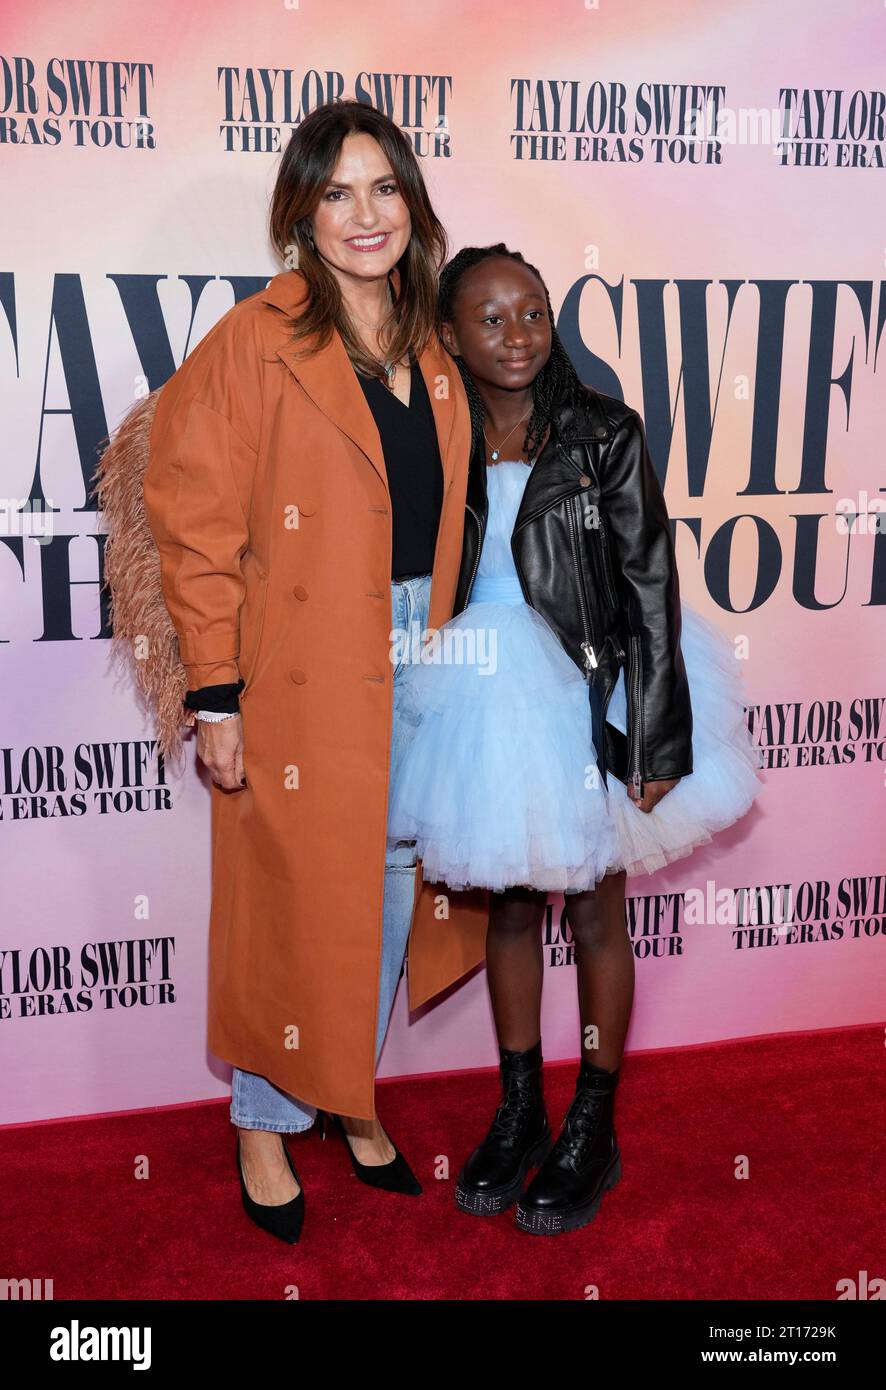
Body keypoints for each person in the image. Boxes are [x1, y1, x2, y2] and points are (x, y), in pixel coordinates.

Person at [138, 100, 473, 1243]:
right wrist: (217, 689)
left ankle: (341, 1088)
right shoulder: (257, 336)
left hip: (429, 646)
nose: (364, 214)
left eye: (384, 188)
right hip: (305, 655)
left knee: (387, 886)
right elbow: (192, 514)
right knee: (295, 895)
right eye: (337, 192)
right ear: (300, 214)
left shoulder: (433, 342)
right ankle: (265, 1118)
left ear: (412, 205)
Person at [386, 244, 765, 1236]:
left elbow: (650, 582)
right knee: (510, 907)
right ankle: (519, 1110)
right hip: (480, 692)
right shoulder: (443, 435)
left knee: (595, 913)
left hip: (590, 687)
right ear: (451, 335)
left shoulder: (601, 429)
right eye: (490, 318)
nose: (516, 335)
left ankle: (591, 1124)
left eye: (532, 312)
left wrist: (651, 735)